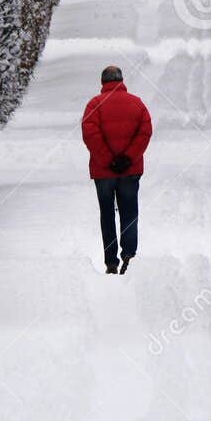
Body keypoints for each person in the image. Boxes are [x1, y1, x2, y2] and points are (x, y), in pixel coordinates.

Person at [81, 64, 153, 274]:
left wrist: (108, 159)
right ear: (121, 81)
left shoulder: (94, 104)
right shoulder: (137, 104)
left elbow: (90, 134)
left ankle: (111, 261)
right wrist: (128, 158)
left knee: (106, 214)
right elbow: (145, 132)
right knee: (129, 211)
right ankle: (128, 254)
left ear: (102, 82)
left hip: (103, 171)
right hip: (130, 170)